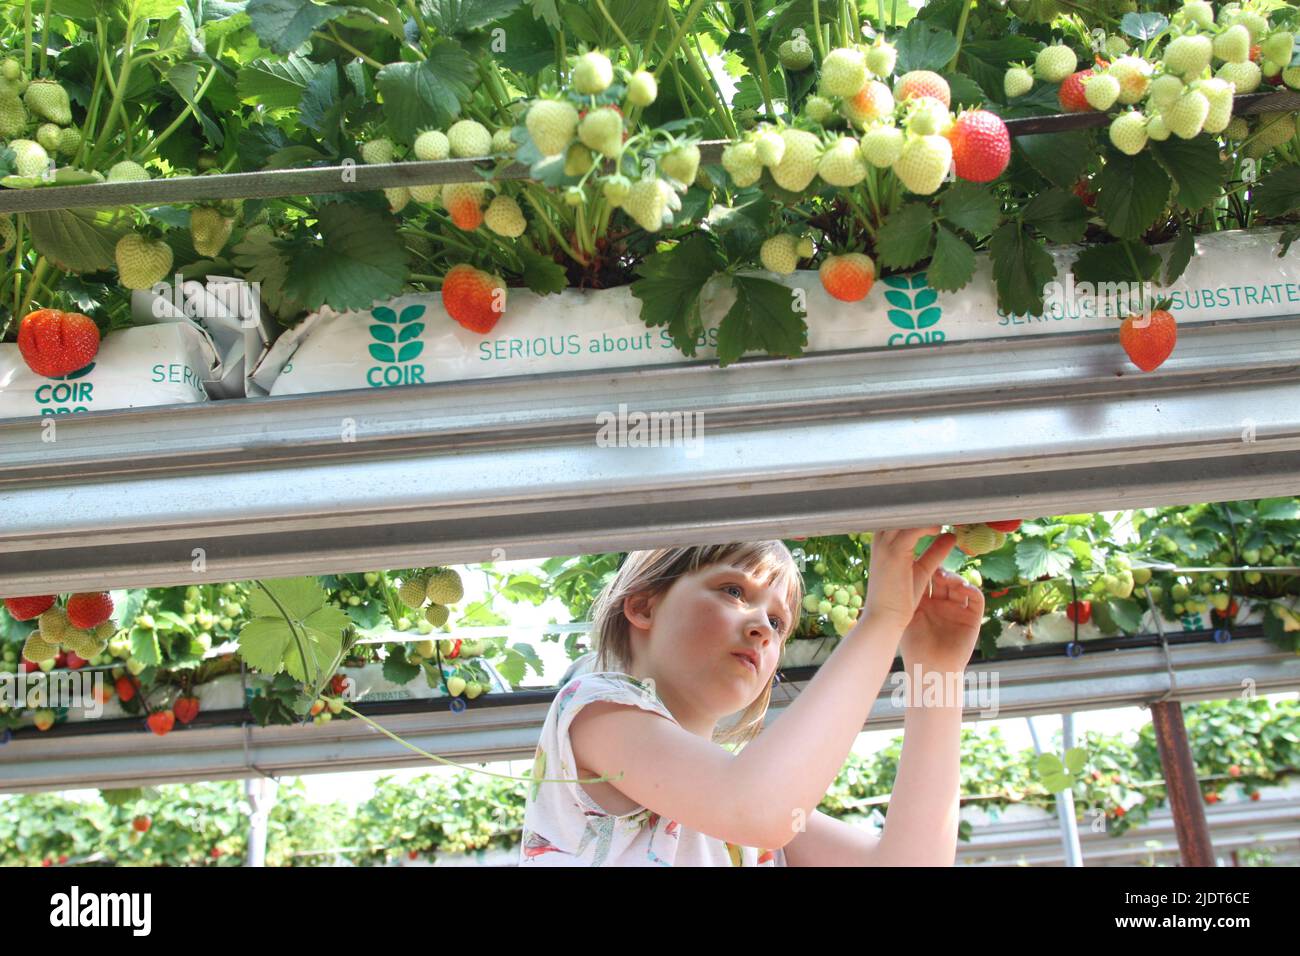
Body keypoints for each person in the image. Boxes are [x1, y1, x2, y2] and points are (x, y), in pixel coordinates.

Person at [518, 528, 983, 866]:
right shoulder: (594, 709)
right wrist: (882, 619)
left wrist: (934, 671)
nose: (763, 626)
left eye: (778, 623)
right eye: (734, 590)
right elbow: (756, 806)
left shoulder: (742, 807)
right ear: (643, 605)